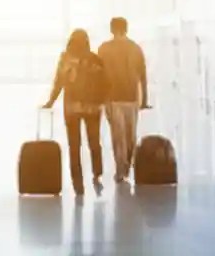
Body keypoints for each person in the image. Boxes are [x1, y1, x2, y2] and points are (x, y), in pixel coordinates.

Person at [42, 29, 106, 195]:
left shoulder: (66, 60)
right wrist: (101, 101)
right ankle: (97, 173)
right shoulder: (95, 59)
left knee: (74, 145)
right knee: (94, 142)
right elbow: (105, 83)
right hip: (92, 108)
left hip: (72, 108)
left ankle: (77, 181)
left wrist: (51, 101)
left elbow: (59, 82)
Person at [97, 17, 149, 183]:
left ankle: (121, 168)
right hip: (132, 97)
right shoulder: (135, 48)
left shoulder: (104, 49)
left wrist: (100, 99)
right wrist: (145, 98)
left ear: (112, 29)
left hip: (112, 97)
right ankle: (127, 165)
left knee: (118, 135)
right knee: (130, 135)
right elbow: (142, 75)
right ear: (126, 29)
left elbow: (99, 75)